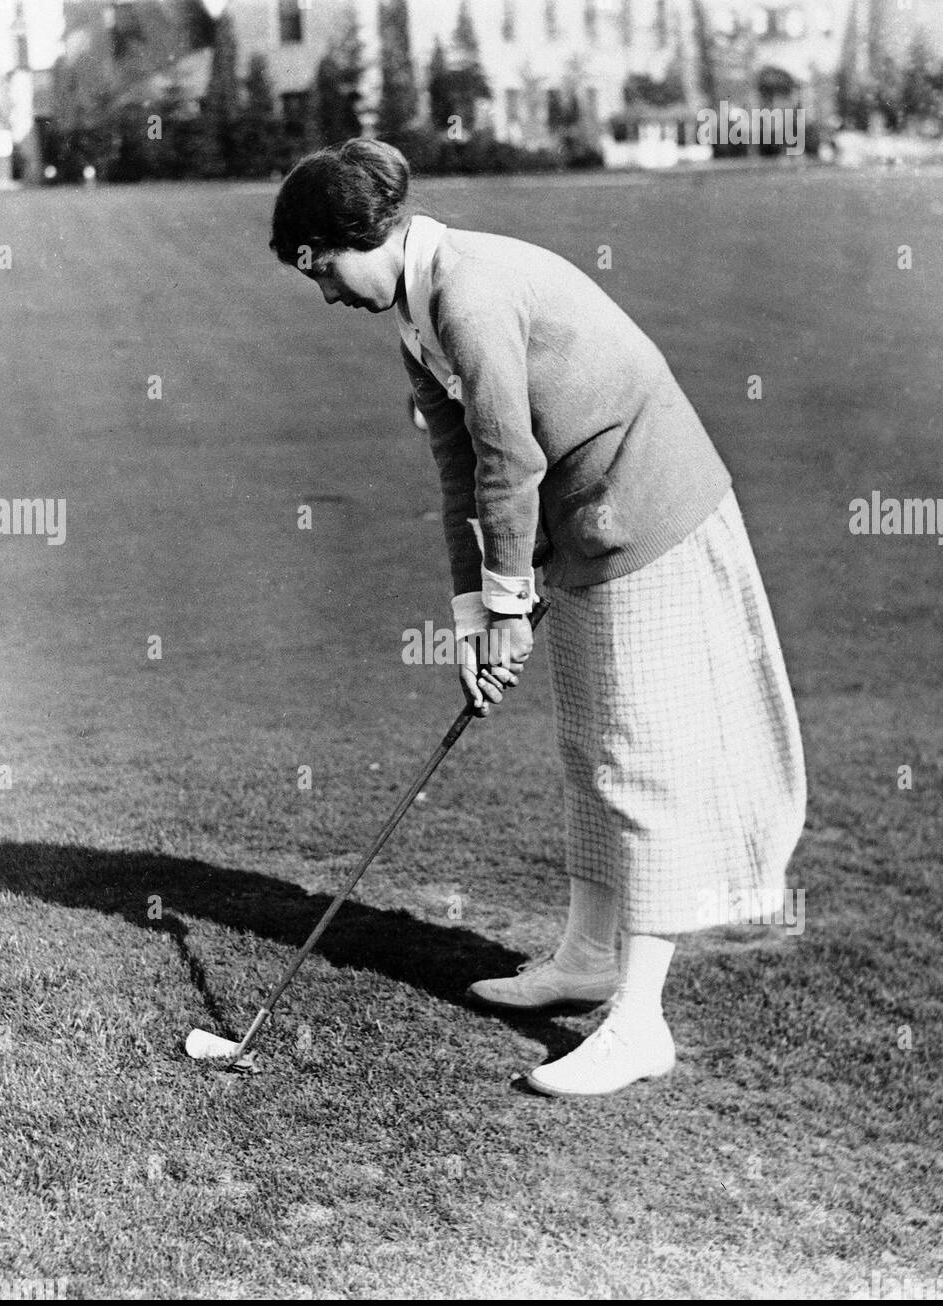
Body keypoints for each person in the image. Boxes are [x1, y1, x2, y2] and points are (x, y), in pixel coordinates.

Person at [269, 138, 807, 1098]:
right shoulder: (417, 311)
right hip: (586, 527)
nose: (325, 295)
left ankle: (638, 1023)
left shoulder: (469, 294)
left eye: (321, 269)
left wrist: (513, 606)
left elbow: (509, 460)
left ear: (363, 236)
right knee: (589, 749)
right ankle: (588, 959)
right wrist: (477, 612)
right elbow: (458, 472)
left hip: (648, 515)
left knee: (640, 761)